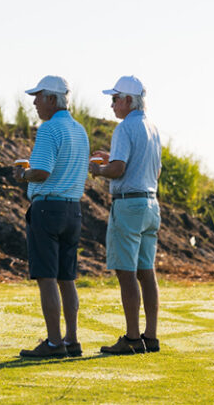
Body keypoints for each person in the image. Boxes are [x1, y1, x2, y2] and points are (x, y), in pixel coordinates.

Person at [13, 75, 90, 358]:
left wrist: (23, 175)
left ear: (51, 99)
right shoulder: (80, 130)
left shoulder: (48, 129)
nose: (34, 103)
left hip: (47, 208)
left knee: (46, 277)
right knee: (66, 278)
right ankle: (72, 339)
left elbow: (42, 172)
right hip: (73, 209)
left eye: (38, 97)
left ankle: (55, 343)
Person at [89, 75, 162, 355]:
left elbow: (118, 169)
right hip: (150, 204)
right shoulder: (152, 127)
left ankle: (132, 338)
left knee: (126, 271)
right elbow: (153, 170)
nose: (112, 105)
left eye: (115, 99)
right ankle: (150, 337)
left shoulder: (124, 128)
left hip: (128, 204)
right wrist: (113, 161)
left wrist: (99, 170)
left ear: (128, 100)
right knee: (146, 271)